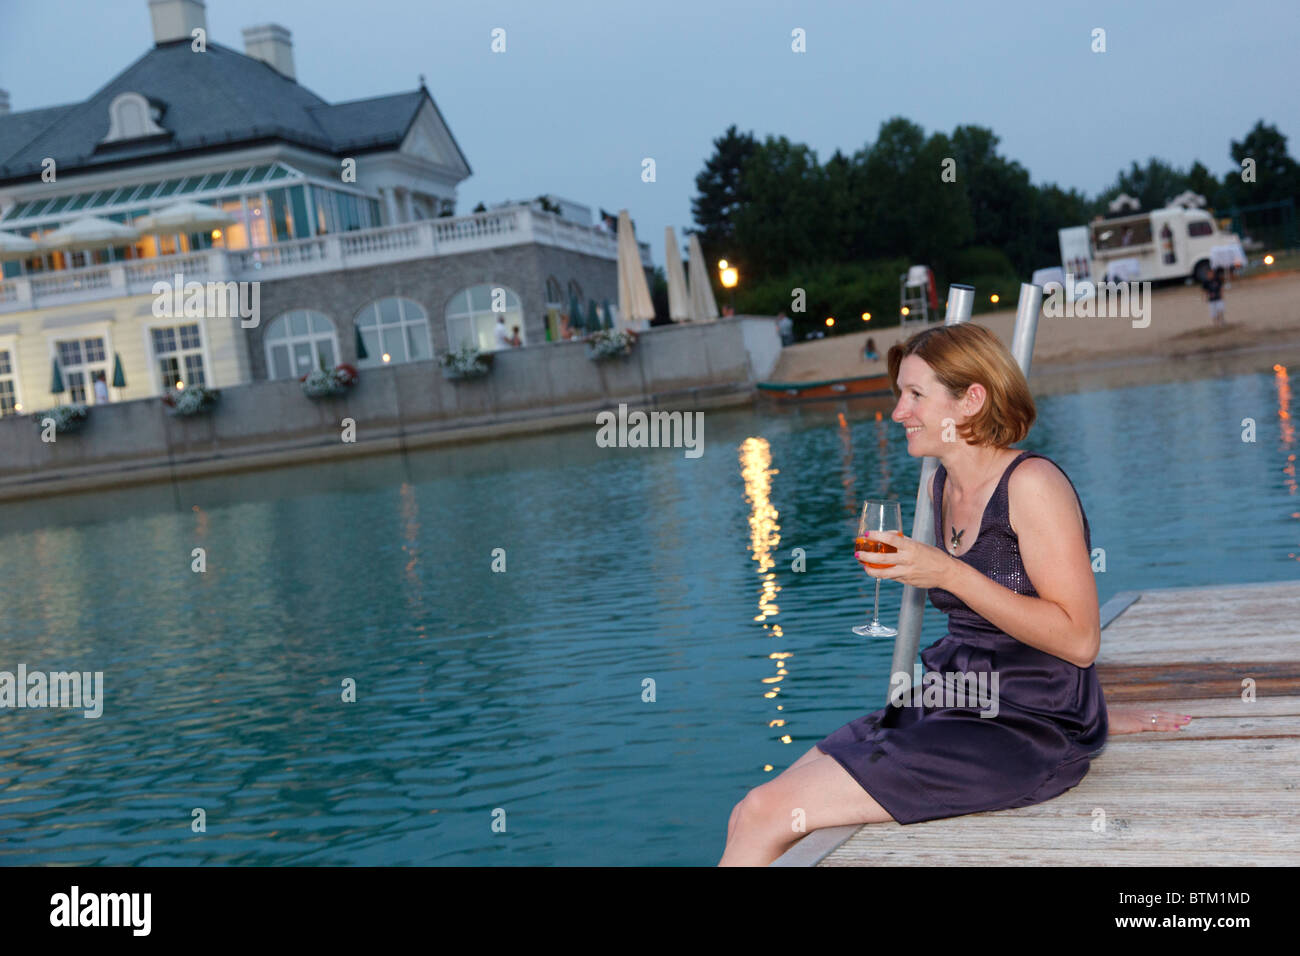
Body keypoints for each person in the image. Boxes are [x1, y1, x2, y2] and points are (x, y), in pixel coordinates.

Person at [718, 323, 1192, 866]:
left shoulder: (1031, 485)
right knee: (749, 813)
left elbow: (1080, 640)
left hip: (1022, 727)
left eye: (915, 395)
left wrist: (945, 572)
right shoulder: (939, 484)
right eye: (901, 394)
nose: (898, 412)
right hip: (955, 700)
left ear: (971, 400)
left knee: (764, 810)